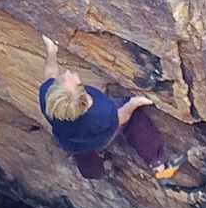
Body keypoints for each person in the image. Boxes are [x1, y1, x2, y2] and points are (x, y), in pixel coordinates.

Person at [39, 34, 184, 181]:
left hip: (71, 141)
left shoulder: (49, 100)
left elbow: (50, 74)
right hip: (101, 137)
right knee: (133, 118)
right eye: (67, 78)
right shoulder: (102, 112)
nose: (67, 72)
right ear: (82, 94)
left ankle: (95, 172)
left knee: (84, 155)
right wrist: (134, 103)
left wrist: (51, 50)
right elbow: (122, 117)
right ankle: (159, 165)